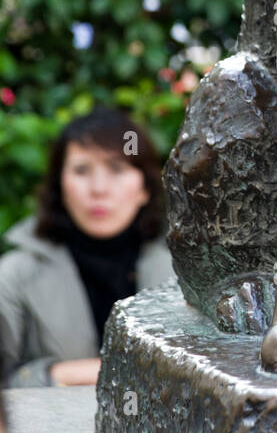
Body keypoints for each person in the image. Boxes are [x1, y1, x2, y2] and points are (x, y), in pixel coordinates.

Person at [0, 106, 174, 387]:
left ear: (144, 188)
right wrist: (54, 376)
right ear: (60, 187)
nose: (98, 188)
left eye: (116, 168)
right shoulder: (13, 276)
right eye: (81, 170)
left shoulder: (184, 274)